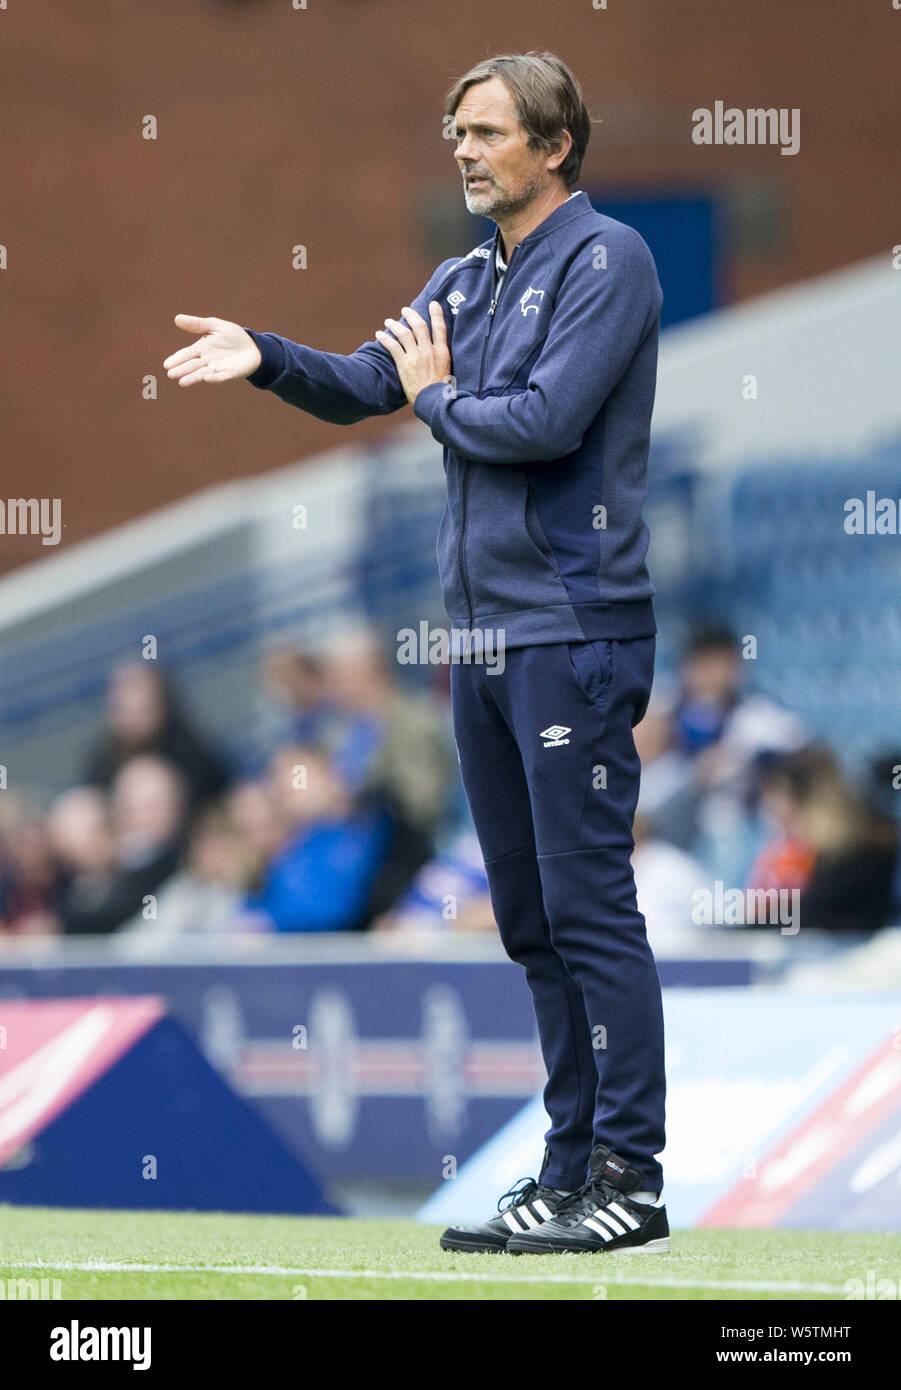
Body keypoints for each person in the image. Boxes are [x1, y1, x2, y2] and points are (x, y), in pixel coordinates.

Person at [163, 51, 668, 1254]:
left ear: (553, 146)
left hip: (571, 628)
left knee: (589, 908)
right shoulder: (464, 273)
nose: (462, 148)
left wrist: (435, 400)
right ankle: (564, 1164)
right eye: (455, 130)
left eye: (486, 131)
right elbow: (369, 384)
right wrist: (270, 356)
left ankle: (630, 1179)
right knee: (530, 917)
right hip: (482, 638)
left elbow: (538, 425)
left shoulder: (609, 259)